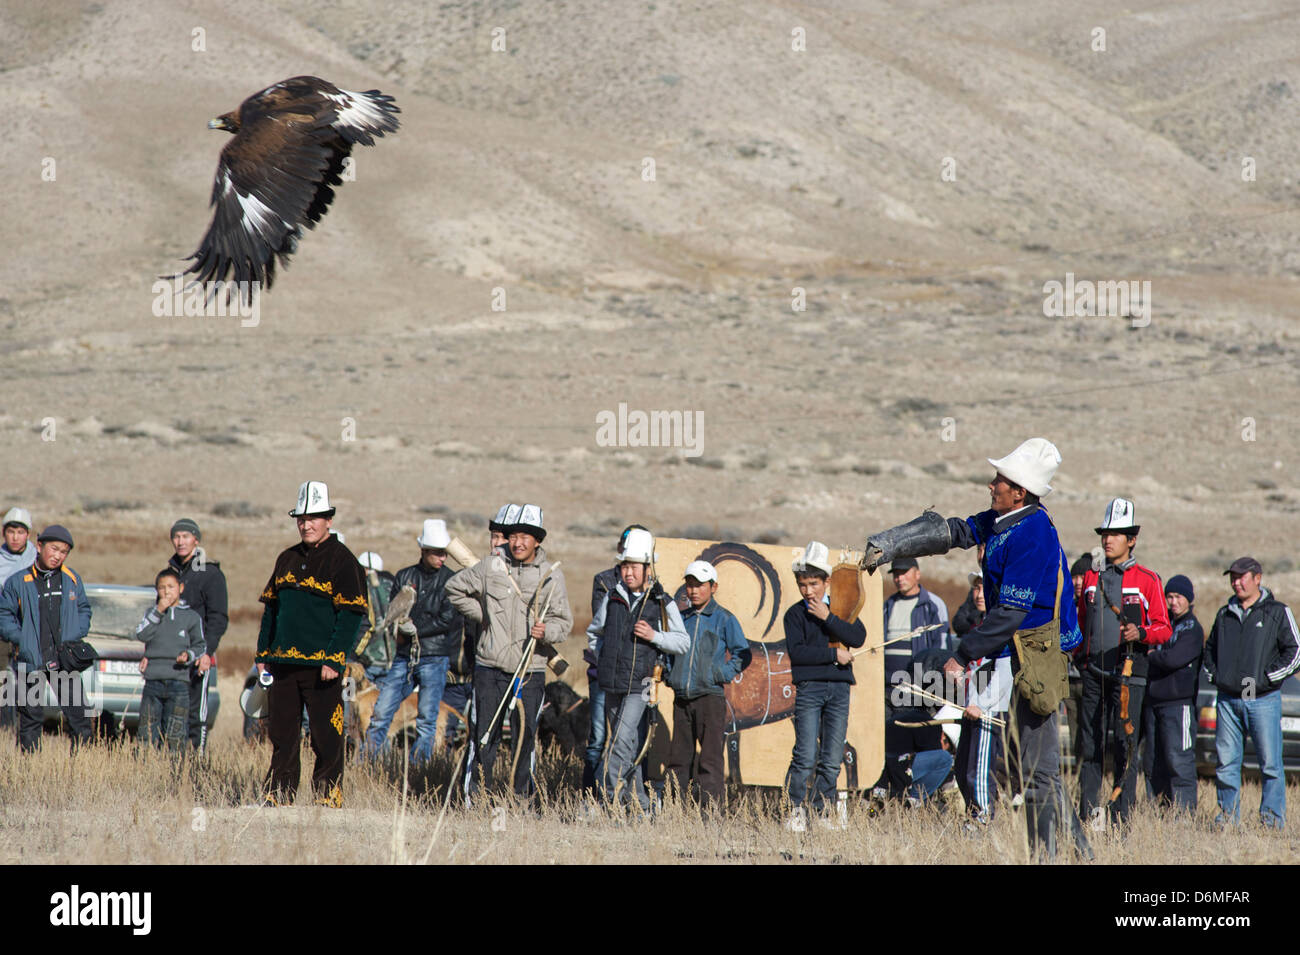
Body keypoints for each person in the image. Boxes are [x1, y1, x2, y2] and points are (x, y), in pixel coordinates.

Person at [864, 437, 1091, 860]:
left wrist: (963, 654)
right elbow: (959, 531)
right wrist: (895, 542)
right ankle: (1082, 853)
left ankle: (1046, 857)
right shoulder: (1007, 519)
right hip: (1017, 648)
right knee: (1041, 771)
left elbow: (1010, 613)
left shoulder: (1033, 534)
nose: (991, 486)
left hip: (1038, 655)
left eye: (998, 481)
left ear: (1019, 492)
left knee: (1037, 772)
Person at [447, 504, 572, 798]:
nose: (518, 542)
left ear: (537, 541)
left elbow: (564, 623)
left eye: (526, 537)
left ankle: (520, 801)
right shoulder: (492, 566)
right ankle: (475, 801)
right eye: (513, 535)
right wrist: (484, 615)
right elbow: (455, 589)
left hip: (530, 671)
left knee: (524, 740)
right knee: (484, 736)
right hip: (490, 668)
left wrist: (547, 632)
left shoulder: (552, 576)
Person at [256, 482, 368, 807]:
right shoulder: (286, 558)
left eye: (314, 518)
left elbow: (351, 615)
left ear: (329, 520)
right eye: (301, 519)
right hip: (283, 663)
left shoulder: (344, 562)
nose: (306, 525)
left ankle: (328, 796)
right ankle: (279, 795)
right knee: (283, 734)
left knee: (327, 735)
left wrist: (335, 658)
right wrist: (264, 653)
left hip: (323, 668)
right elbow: (271, 609)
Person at [1074, 498, 1171, 828]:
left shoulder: (1148, 580)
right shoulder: (1090, 576)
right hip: (1093, 674)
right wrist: (1080, 658)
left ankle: (1119, 821)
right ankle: (1088, 817)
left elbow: (1163, 627)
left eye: (1116, 534)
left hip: (1130, 676)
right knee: (1089, 746)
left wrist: (1141, 632)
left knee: (1124, 747)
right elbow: (1082, 620)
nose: (1108, 539)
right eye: (1105, 533)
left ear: (1132, 539)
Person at [588, 527, 688, 811]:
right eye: (624, 565)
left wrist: (654, 637)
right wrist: (603, 657)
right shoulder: (613, 597)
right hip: (611, 681)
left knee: (619, 740)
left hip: (642, 683)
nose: (628, 572)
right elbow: (595, 633)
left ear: (647, 568)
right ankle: (641, 806)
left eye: (633, 566)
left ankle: (607, 799)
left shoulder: (661, 602)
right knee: (628, 745)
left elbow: (682, 642)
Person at [1204, 556, 1300, 828]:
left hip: (1263, 700)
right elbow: (1209, 650)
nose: (1236, 582)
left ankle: (1271, 820)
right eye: (1232, 577)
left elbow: (1295, 652)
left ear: (1258, 578)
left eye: (1242, 576)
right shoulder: (1224, 614)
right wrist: (1216, 676)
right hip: (1228, 700)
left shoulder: (1277, 612)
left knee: (1270, 764)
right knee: (1226, 763)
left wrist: (1268, 678)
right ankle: (1227, 819)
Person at [363, 519, 461, 765]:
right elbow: (391, 614)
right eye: (437, 553)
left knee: (427, 720)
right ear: (424, 551)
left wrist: (414, 629)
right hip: (404, 658)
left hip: (435, 658)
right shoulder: (404, 576)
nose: (442, 558)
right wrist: (400, 629)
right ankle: (366, 766)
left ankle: (420, 772)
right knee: (381, 713)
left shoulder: (451, 580)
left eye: (445, 553)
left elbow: (447, 620)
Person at [784, 541, 866, 827]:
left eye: (814, 583)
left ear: (827, 582)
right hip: (810, 688)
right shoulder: (794, 615)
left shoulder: (841, 609)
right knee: (805, 755)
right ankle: (794, 809)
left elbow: (858, 637)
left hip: (839, 689)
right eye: (802, 584)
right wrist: (833, 654)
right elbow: (798, 653)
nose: (808, 591)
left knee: (831, 758)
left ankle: (820, 812)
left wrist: (828, 617)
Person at [0, 525, 94, 753]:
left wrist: (75, 634)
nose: (58, 556)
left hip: (64, 660)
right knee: (30, 722)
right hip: (30, 659)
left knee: (79, 718)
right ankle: (29, 769)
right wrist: (22, 639)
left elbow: (84, 609)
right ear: (39, 546)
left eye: (64, 552)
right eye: (54, 549)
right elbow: (4, 615)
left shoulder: (72, 579)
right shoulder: (17, 582)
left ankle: (80, 767)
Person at [665, 559, 751, 809]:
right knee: (678, 758)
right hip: (682, 698)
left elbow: (742, 653)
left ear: (713, 587)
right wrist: (671, 675)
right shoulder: (680, 618)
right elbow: (669, 650)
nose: (693, 590)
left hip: (710, 698)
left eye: (700, 585)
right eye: (689, 584)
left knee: (710, 760)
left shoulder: (724, 619)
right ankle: (675, 813)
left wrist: (720, 673)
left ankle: (711, 813)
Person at [584, 523, 648, 793]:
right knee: (600, 737)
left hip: (636, 676)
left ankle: (630, 798)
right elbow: (604, 629)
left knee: (630, 739)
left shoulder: (653, 591)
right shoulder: (605, 582)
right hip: (604, 672)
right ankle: (591, 791)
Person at [1140, 574, 1203, 814]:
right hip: (1154, 702)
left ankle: (1184, 814)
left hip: (1179, 704)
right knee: (1154, 761)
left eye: (1178, 597)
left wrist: (1152, 657)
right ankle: (1160, 810)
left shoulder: (1192, 628)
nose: (1173, 602)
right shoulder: (1163, 624)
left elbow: (1174, 658)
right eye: (1169, 596)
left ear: (1189, 599)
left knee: (1180, 760)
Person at [165, 518, 228, 751]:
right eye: (176, 537)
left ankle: (197, 761)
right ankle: (171, 760)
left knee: (195, 713)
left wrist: (206, 652)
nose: (180, 542)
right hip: (170, 655)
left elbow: (218, 618)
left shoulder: (210, 574)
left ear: (196, 540)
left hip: (197, 654)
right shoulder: (170, 573)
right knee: (170, 711)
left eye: (186, 536)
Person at [133, 568, 206, 751]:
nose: (166, 592)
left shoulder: (191, 617)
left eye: (171, 587)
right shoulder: (152, 613)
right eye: (162, 587)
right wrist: (158, 610)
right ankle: (146, 769)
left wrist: (188, 655)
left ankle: (172, 773)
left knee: (176, 733)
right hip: (153, 682)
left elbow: (200, 645)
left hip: (178, 683)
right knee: (147, 731)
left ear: (180, 588)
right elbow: (141, 634)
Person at [0, 507, 36, 730]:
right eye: (11, 531)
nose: (15, 537)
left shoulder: (37, 560)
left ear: (28, 535)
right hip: (2, 631)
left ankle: (28, 731)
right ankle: (5, 729)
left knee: (29, 682)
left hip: (29, 630)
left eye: (20, 532)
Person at [952, 568, 986, 640]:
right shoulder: (976, 624)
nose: (979, 595)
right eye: (977, 588)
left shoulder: (1001, 624)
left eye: (986, 588)